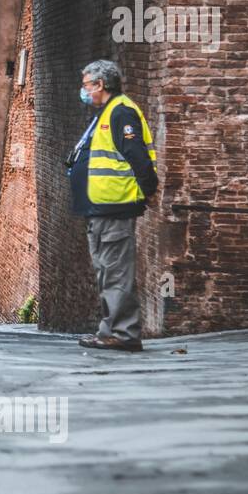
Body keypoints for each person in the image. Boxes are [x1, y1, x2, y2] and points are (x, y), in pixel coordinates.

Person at [67, 60, 158, 352]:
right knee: (107, 271)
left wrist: (145, 192)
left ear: (100, 85)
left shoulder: (121, 112)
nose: (83, 91)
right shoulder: (107, 113)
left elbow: (139, 158)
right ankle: (110, 330)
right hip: (102, 208)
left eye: (86, 85)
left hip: (115, 207)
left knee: (117, 272)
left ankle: (124, 333)